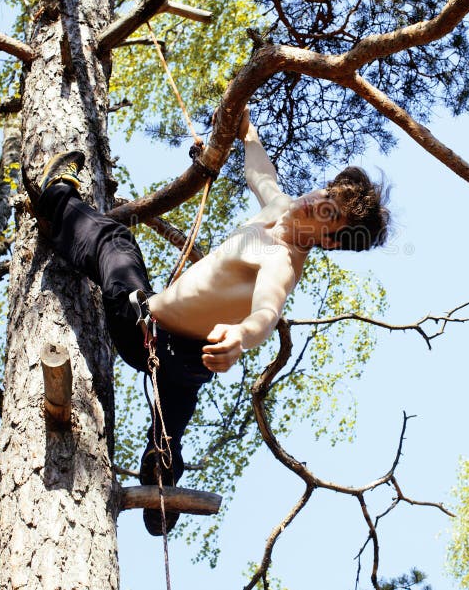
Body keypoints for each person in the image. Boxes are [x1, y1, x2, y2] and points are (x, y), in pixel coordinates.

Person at [32, 108, 389, 535]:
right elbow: (261, 173)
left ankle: (55, 198)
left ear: (330, 239)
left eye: (327, 213)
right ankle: (161, 475)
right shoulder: (279, 209)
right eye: (324, 192)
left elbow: (266, 313)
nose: (314, 201)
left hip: (149, 333)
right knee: (174, 418)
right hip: (178, 356)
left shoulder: (283, 261)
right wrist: (246, 130)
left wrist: (240, 336)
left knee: (115, 242)